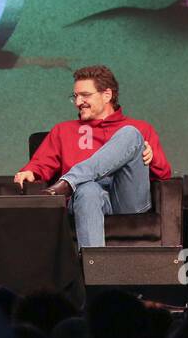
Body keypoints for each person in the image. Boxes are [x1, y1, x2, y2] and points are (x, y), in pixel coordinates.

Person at [14, 65, 171, 248]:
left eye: (85, 95)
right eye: (75, 96)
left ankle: (69, 182)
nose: (78, 102)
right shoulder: (63, 130)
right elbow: (41, 163)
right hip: (85, 198)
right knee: (87, 189)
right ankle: (94, 270)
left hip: (128, 200)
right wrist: (30, 171)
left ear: (107, 95)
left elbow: (164, 175)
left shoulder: (139, 128)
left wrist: (152, 159)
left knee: (130, 133)